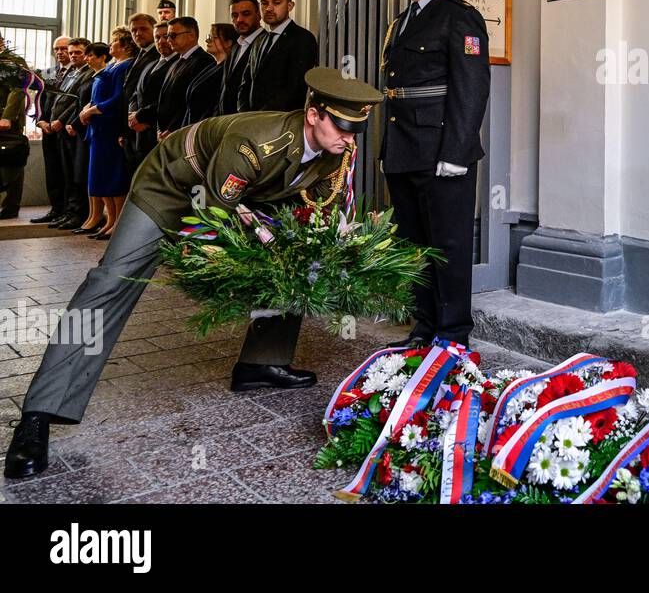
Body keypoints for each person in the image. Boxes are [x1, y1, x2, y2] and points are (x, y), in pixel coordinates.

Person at [3, 67, 385, 480]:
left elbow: (317, 213)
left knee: (295, 257)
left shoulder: (335, 150)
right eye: (344, 126)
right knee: (110, 280)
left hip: (247, 195)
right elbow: (216, 217)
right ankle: (39, 414)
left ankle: (261, 364)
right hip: (171, 187)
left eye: (356, 130)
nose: (350, 137)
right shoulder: (256, 141)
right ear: (314, 115)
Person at [381, 0, 490, 348]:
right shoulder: (401, 21)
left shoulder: (460, 17)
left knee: (448, 245)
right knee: (414, 246)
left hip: (442, 150)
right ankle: (424, 327)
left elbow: (471, 87)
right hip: (404, 148)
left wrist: (457, 153)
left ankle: (454, 334)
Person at [80, 29, 134, 240]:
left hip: (109, 126)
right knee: (100, 176)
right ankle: (109, 219)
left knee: (112, 176)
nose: (110, 45)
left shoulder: (125, 66)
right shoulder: (113, 65)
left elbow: (119, 98)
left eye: (114, 42)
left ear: (123, 45)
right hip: (99, 128)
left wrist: (93, 109)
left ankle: (117, 221)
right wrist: (88, 108)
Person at [238, 0, 319, 113]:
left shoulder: (303, 38)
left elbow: (295, 88)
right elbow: (245, 84)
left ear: (290, 6)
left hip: (282, 122)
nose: (269, 8)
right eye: (264, 3)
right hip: (250, 123)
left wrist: (261, 118)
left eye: (276, 3)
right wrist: (245, 115)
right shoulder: (259, 40)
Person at [49, 39, 92, 230]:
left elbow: (77, 102)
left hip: (74, 129)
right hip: (62, 130)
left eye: (78, 52)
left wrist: (64, 120)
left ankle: (78, 212)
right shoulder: (71, 72)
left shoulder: (89, 74)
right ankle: (68, 211)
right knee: (66, 174)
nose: (73, 55)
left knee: (77, 174)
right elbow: (59, 99)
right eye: (71, 52)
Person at [66, 42, 109, 234]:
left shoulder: (106, 75)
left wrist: (76, 121)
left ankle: (101, 217)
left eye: (89, 55)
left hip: (97, 128)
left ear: (102, 57)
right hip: (89, 128)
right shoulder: (94, 75)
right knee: (89, 175)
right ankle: (93, 215)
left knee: (96, 175)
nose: (86, 58)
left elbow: (94, 103)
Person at [30, 36, 71, 224]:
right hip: (47, 129)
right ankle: (55, 208)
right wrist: (40, 121)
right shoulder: (48, 74)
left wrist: (60, 121)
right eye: (57, 49)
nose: (60, 52)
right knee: (52, 171)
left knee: (67, 172)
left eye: (64, 48)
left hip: (65, 129)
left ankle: (69, 210)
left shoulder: (78, 73)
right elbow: (39, 102)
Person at [155, 17, 215, 138]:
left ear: (191, 36)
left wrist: (173, 129)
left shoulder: (203, 61)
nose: (168, 40)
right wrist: (159, 128)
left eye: (173, 35)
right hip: (164, 132)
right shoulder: (176, 61)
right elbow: (164, 99)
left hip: (182, 132)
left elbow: (193, 102)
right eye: (168, 36)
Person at [128, 21, 176, 164]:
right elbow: (136, 93)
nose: (161, 41)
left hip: (158, 128)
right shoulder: (150, 64)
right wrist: (132, 115)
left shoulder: (177, 64)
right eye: (157, 38)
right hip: (138, 130)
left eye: (165, 36)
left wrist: (142, 116)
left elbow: (170, 99)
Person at [120, 13, 158, 179]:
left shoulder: (160, 55)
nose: (138, 33)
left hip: (147, 126)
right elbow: (130, 93)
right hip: (131, 126)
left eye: (143, 29)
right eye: (134, 30)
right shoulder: (138, 56)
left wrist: (141, 117)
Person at [0, 45, 34, 219]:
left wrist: (8, 117)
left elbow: (18, 88)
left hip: (7, 123)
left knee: (11, 163)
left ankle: (10, 207)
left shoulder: (12, 60)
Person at [184, 23, 237, 124]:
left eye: (214, 37)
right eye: (209, 36)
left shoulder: (228, 69)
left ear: (228, 42)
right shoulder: (212, 65)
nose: (208, 40)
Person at [220, 0, 261, 115]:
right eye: (234, 15)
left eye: (246, 14)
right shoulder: (236, 47)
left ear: (259, 15)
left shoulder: (265, 44)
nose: (239, 20)